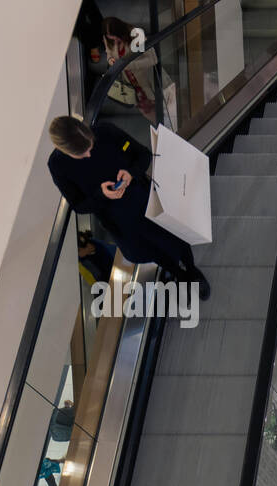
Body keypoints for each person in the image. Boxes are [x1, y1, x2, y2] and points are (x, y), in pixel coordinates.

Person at [47, 117, 211, 298]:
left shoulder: (105, 131)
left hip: (144, 199)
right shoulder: (57, 166)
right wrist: (102, 195)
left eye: (90, 146)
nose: (88, 154)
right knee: (152, 250)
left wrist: (131, 174)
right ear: (64, 150)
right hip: (119, 221)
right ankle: (179, 275)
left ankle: (191, 269)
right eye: (81, 154)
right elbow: (78, 205)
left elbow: (143, 154)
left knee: (174, 235)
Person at [102, 17, 163, 125]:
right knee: (152, 118)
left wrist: (130, 65)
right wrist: (111, 60)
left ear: (121, 32)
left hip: (150, 82)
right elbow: (109, 53)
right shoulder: (108, 39)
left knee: (165, 114)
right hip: (133, 87)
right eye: (111, 39)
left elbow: (153, 59)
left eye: (116, 37)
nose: (115, 41)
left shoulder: (136, 35)